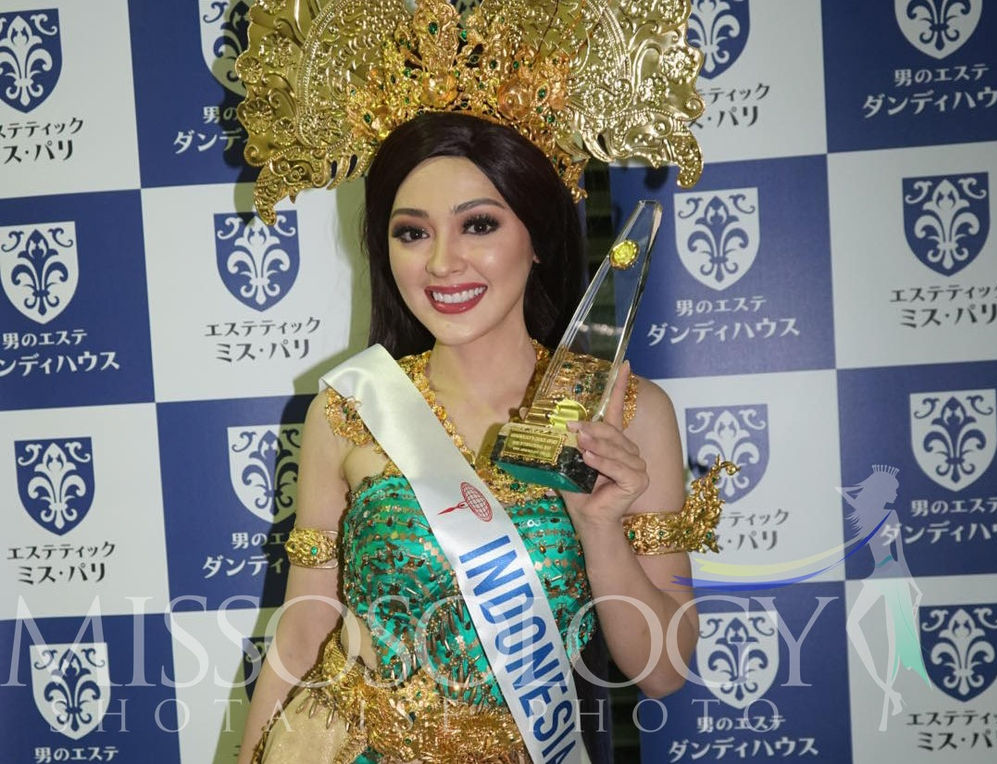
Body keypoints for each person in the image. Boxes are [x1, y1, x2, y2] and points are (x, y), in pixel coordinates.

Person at [232, 1, 712, 760]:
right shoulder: (350, 409)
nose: (442, 262)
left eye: (479, 224)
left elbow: (664, 671)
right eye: (411, 231)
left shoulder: (625, 409)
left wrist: (598, 527)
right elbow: (304, 624)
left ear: (539, 236)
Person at [840, 465, 929, 732]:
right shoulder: (869, 513)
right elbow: (849, 495)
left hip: (892, 574)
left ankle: (886, 709)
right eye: (892, 488)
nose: (896, 492)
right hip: (879, 574)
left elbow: (901, 556)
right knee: (852, 625)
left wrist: (914, 588)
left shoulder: (890, 515)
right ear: (881, 490)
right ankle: (890, 693)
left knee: (892, 639)